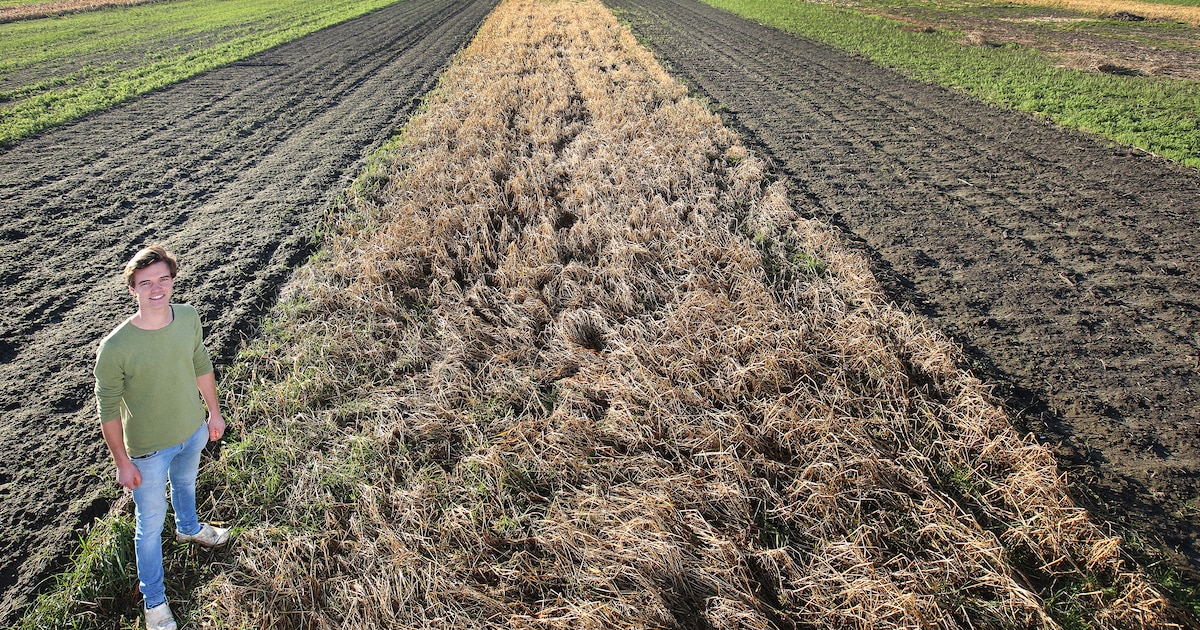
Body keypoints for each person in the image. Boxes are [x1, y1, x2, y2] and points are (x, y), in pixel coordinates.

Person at [94, 245, 230, 630]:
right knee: (149, 524)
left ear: (172, 279)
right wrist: (122, 462)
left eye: (163, 279)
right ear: (133, 289)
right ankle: (154, 602)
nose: (157, 289)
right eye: (146, 283)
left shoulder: (187, 317)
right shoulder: (116, 347)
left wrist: (213, 414)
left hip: (192, 431)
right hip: (148, 451)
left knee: (186, 482)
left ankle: (189, 528)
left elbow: (200, 363)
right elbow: (107, 410)